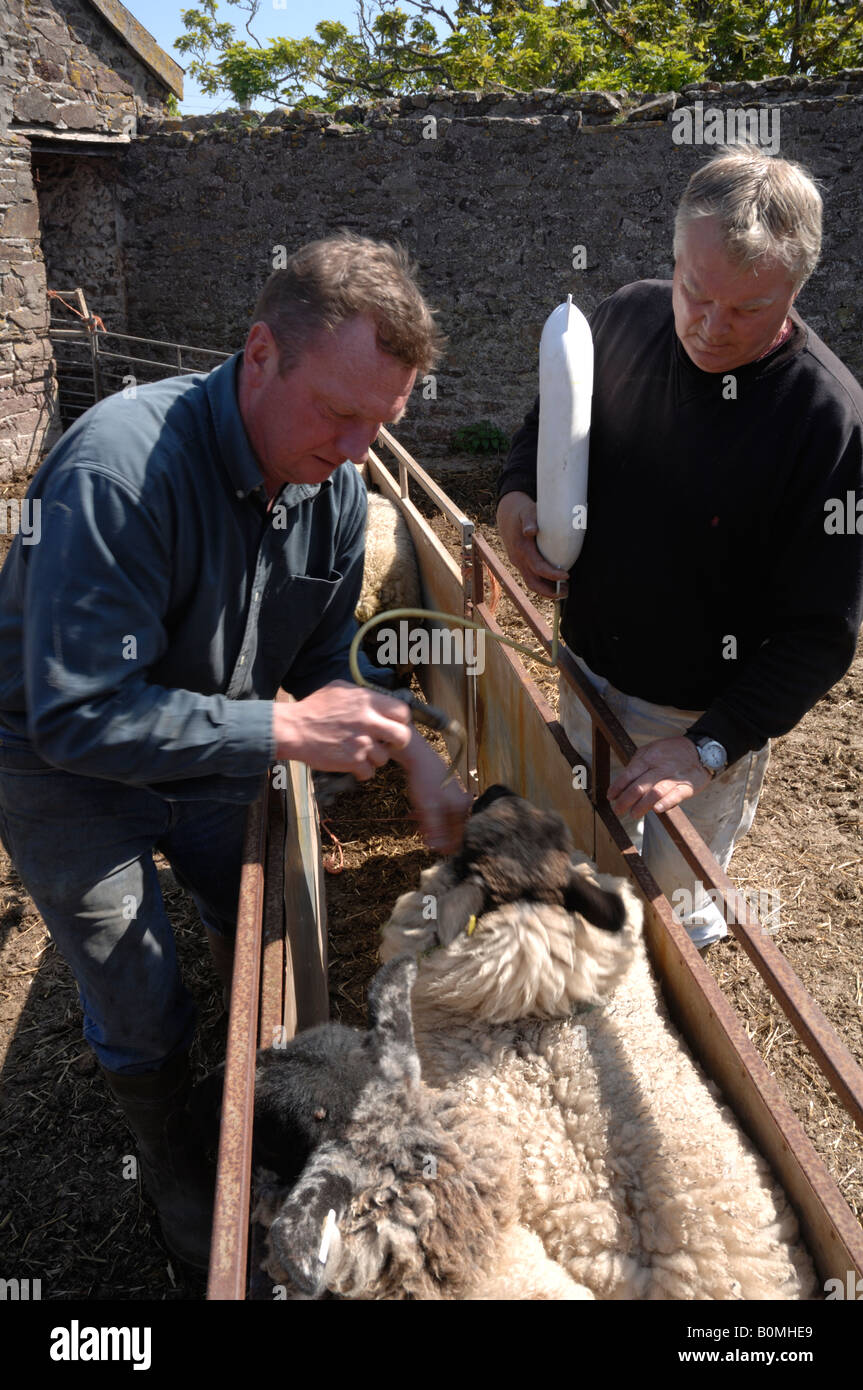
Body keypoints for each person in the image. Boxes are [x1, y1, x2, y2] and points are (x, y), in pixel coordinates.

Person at [0, 232, 470, 1269]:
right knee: (134, 985)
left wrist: (407, 743)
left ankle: (245, 1063)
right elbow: (76, 714)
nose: (357, 450)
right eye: (340, 414)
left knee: (240, 902)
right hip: (64, 770)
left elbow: (313, 660)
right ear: (260, 353)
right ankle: (175, 1176)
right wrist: (281, 728)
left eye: (380, 425)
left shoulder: (336, 490)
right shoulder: (117, 473)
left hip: (215, 739)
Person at [497, 143, 863, 951]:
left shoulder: (827, 423)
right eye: (694, 292)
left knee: (674, 901)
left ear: (796, 290)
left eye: (747, 309)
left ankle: (679, 996)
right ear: (674, 259)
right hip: (586, 664)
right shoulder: (625, 316)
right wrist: (518, 493)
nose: (708, 326)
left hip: (696, 709)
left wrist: (707, 746)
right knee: (586, 847)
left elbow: (820, 633)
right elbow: (547, 426)